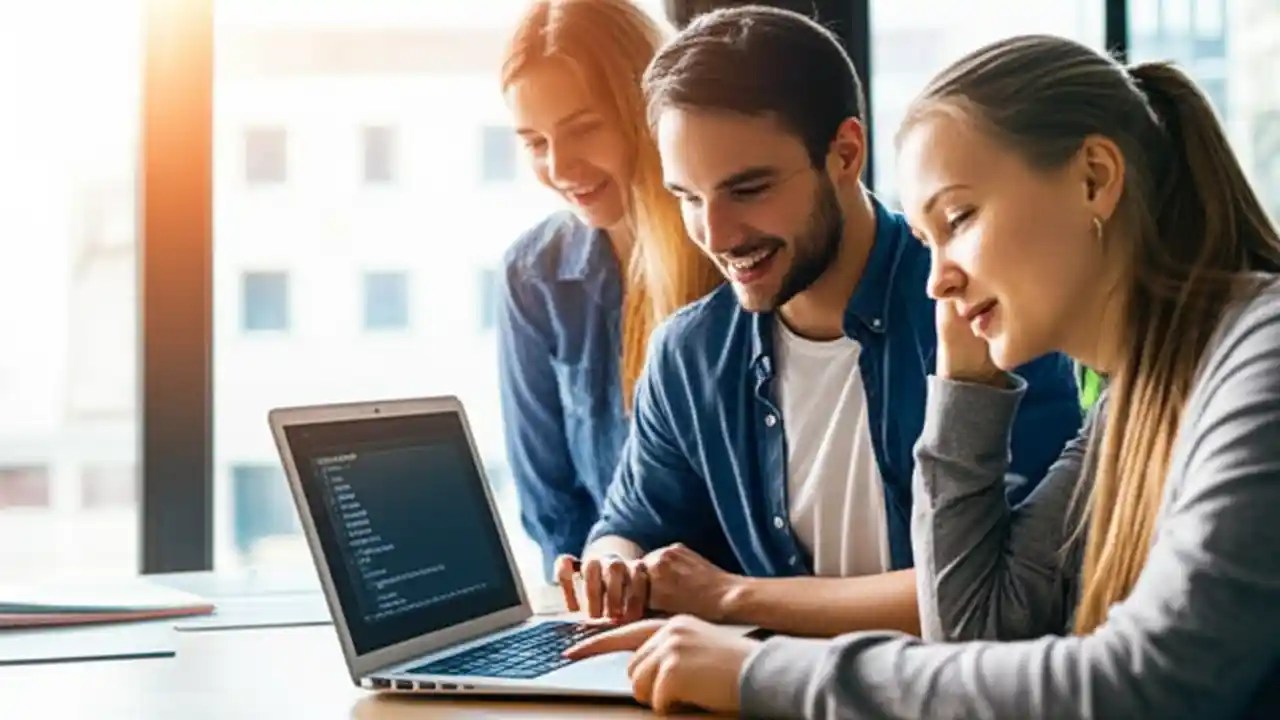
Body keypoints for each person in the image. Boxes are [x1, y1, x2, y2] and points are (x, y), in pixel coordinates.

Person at [568, 31, 1280, 719]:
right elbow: (975, 629)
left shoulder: (1261, 358)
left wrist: (757, 668)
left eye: (960, 218)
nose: (936, 279)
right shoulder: (1137, 403)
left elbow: (1152, 683)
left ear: (1094, 178)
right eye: (926, 240)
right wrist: (964, 384)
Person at [553, 6, 1082, 638]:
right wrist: (614, 569)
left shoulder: (981, 309)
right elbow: (631, 526)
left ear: (845, 153)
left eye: (748, 189)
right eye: (689, 198)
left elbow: (1000, 592)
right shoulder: (689, 354)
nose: (715, 235)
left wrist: (731, 596)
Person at [497, 0, 721, 580]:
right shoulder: (533, 275)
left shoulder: (733, 253)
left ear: (650, 111)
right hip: (609, 621)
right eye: (535, 142)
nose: (560, 165)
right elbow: (552, 510)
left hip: (736, 615)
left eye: (583, 129)